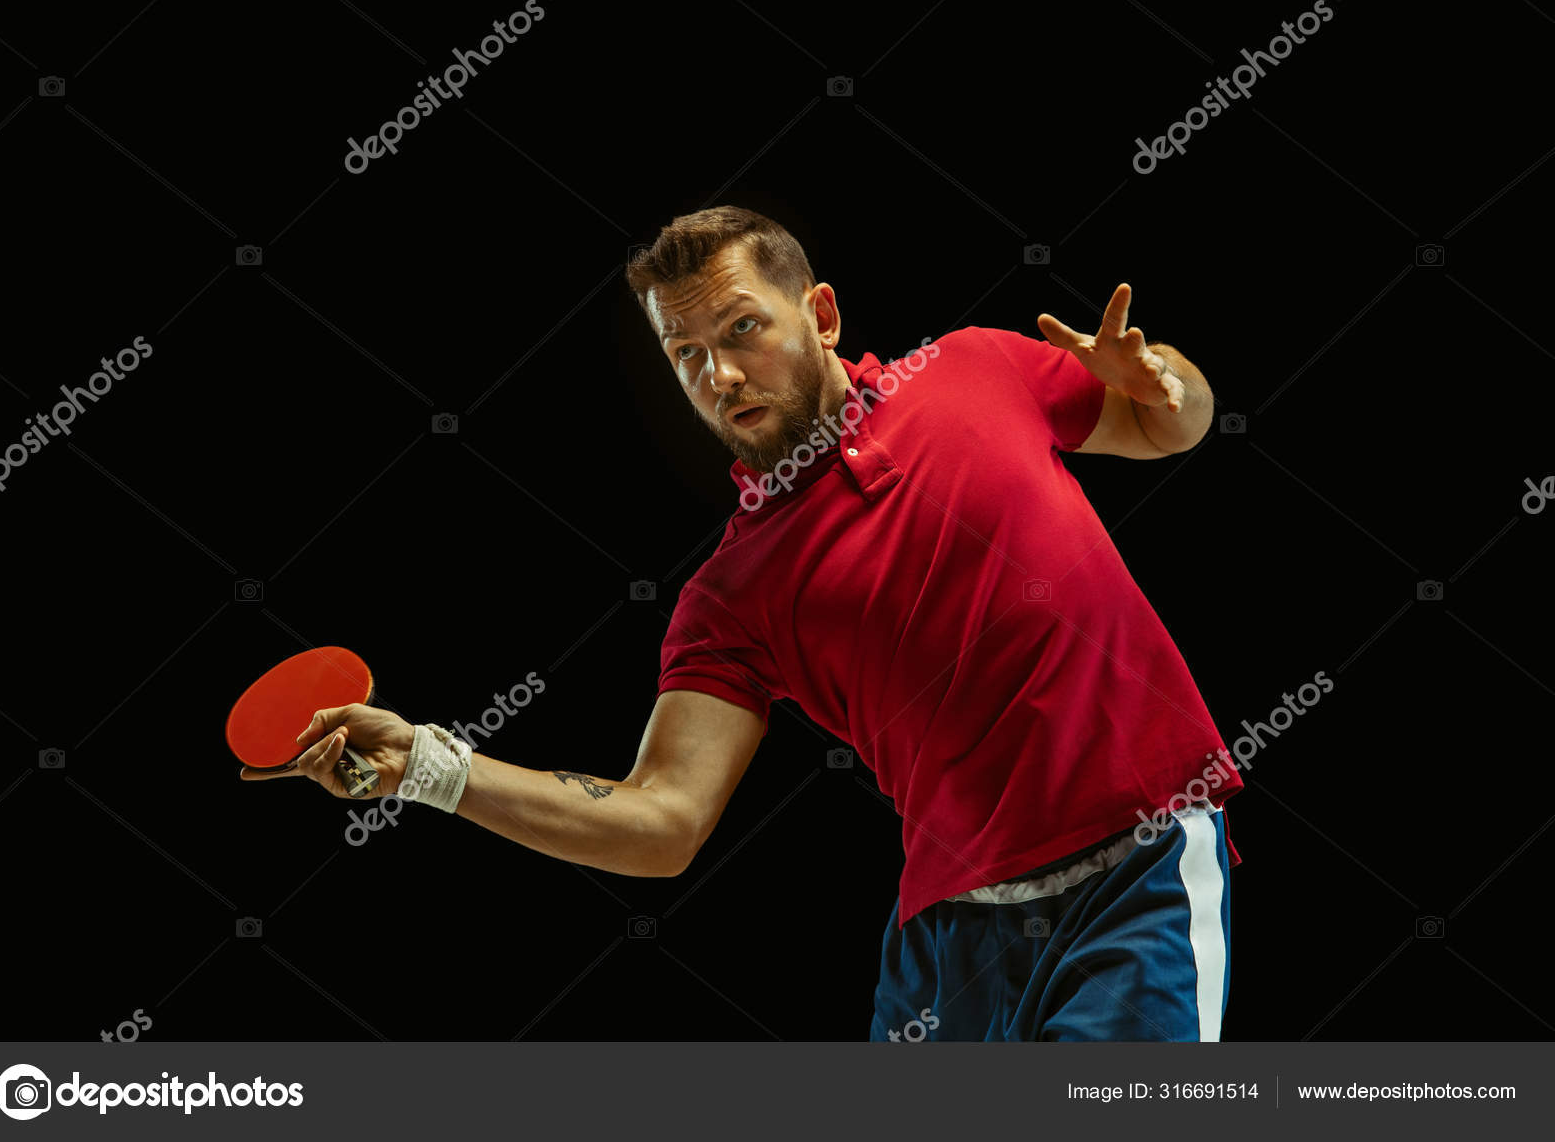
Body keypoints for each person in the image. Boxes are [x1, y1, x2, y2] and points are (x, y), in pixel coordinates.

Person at [243, 205, 1245, 1041]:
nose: (717, 375)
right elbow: (662, 821)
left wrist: (1165, 375)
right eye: (685, 353)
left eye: (740, 331)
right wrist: (429, 763)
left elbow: (1168, 425)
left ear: (820, 313)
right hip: (948, 946)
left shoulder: (976, 370)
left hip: (1134, 870)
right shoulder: (730, 596)